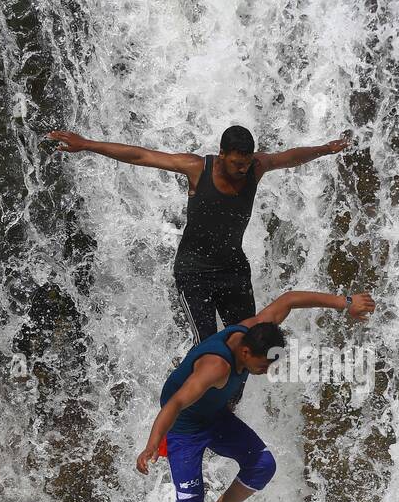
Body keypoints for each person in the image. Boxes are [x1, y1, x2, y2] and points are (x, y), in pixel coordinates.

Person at [136, 289, 376, 502]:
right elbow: (175, 403)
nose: (265, 371)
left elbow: (289, 300)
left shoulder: (257, 329)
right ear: (246, 352)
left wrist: (345, 303)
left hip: (214, 417)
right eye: (262, 365)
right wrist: (153, 444)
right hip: (183, 427)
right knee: (189, 501)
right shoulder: (214, 368)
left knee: (263, 464)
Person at [46, 124, 349, 344]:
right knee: (207, 347)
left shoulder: (256, 168)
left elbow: (290, 157)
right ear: (221, 155)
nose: (242, 170)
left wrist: (325, 149)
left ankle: (226, 409)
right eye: (236, 164)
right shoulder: (196, 169)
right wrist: (86, 144)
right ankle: (190, 406)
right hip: (194, 273)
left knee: (247, 343)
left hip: (233, 270)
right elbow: (141, 156)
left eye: (246, 164)